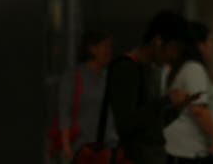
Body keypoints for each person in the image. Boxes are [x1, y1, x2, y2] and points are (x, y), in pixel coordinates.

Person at [107, 11, 196, 164]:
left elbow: (152, 125)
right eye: (173, 49)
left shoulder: (151, 70)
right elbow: (125, 125)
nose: (174, 56)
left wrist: (176, 108)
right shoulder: (126, 68)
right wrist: (166, 100)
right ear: (157, 41)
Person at [163, 21, 213, 163]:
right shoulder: (194, 69)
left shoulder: (182, 67)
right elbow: (199, 110)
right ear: (200, 45)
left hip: (181, 148)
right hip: (189, 149)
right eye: (210, 41)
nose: (212, 46)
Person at [57, 31, 116, 162]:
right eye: (105, 46)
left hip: (106, 148)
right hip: (81, 148)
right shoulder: (73, 77)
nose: (109, 51)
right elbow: (64, 112)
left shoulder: (109, 78)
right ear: (92, 49)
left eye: (110, 47)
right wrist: (66, 145)